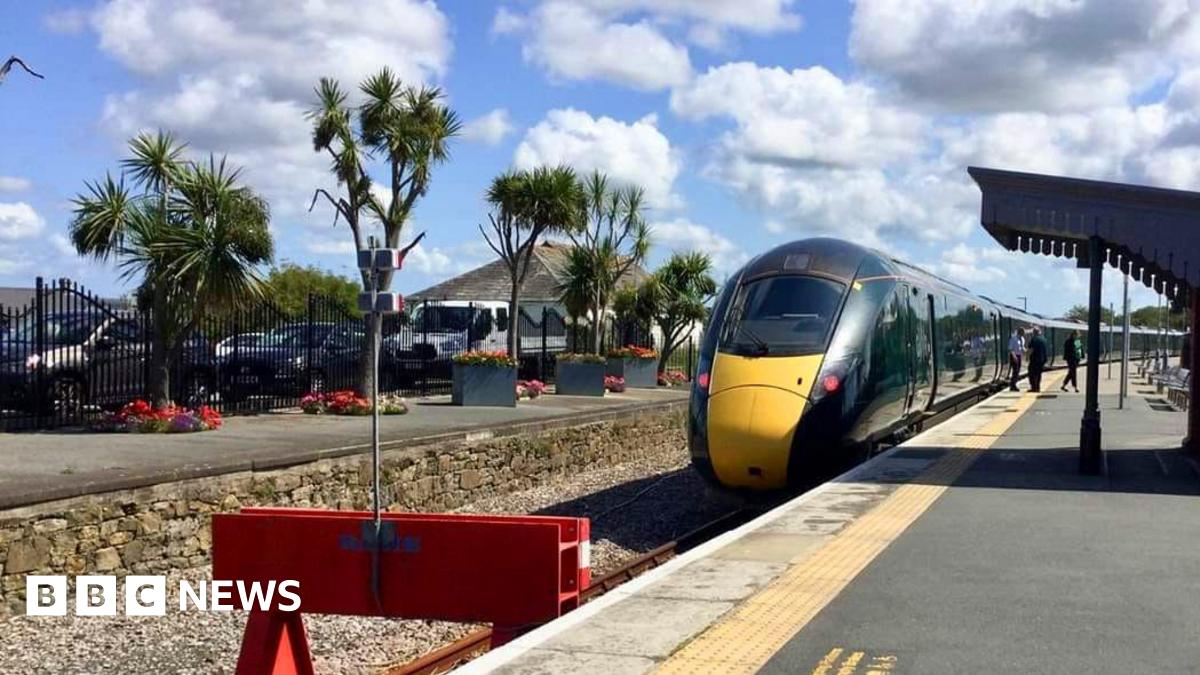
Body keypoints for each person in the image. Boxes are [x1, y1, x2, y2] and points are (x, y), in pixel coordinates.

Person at [1027, 327, 1047, 392]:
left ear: (1034, 332)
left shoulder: (1034, 339)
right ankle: (1038, 387)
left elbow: (1031, 349)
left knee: (1032, 373)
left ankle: (1034, 387)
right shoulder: (1044, 339)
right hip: (1042, 359)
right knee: (1038, 374)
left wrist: (1027, 356)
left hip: (1034, 359)